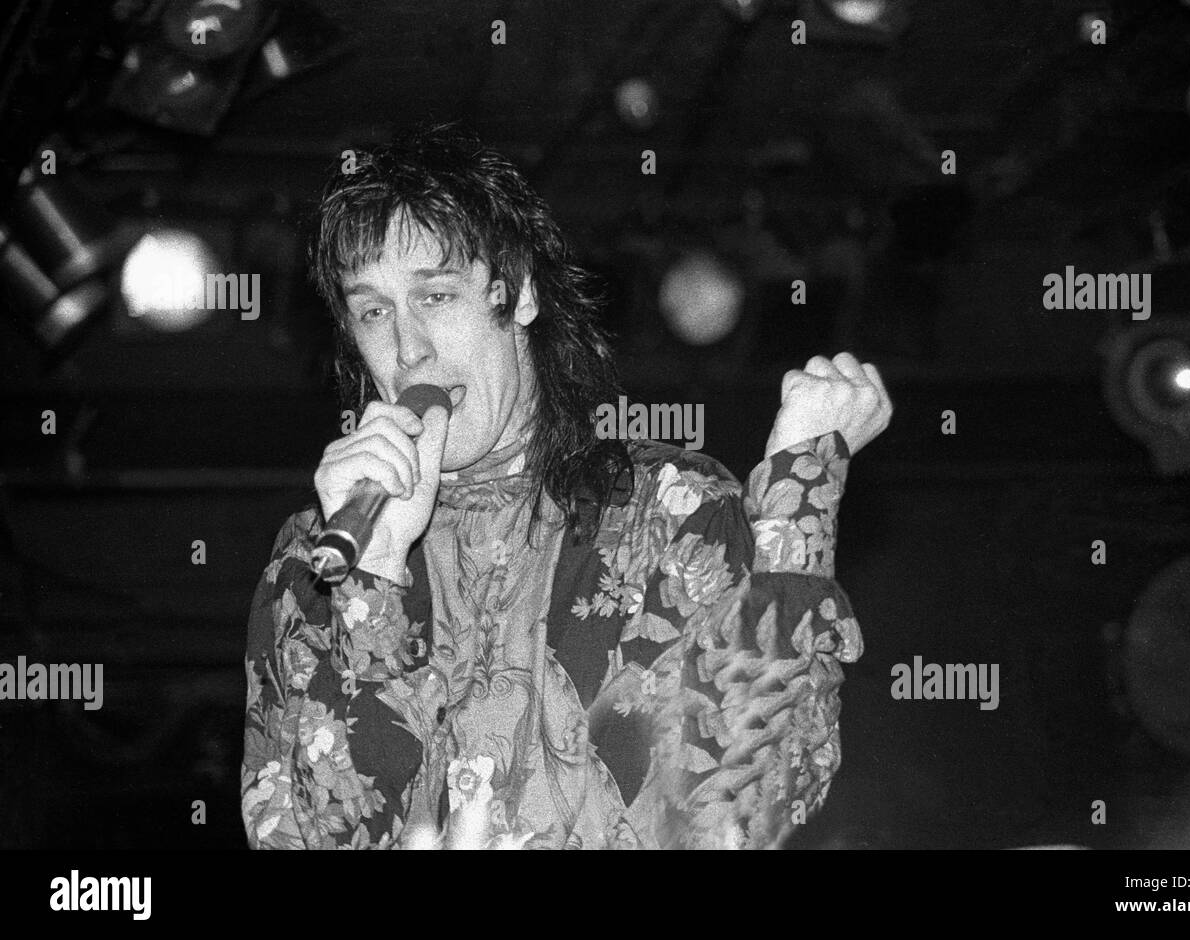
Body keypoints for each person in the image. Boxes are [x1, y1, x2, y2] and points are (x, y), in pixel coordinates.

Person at [240, 122, 892, 850]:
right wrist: (374, 579)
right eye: (373, 310)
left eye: (437, 296)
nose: (407, 347)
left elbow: (749, 804)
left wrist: (800, 486)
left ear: (516, 295)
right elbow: (314, 839)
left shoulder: (666, 507)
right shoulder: (313, 563)